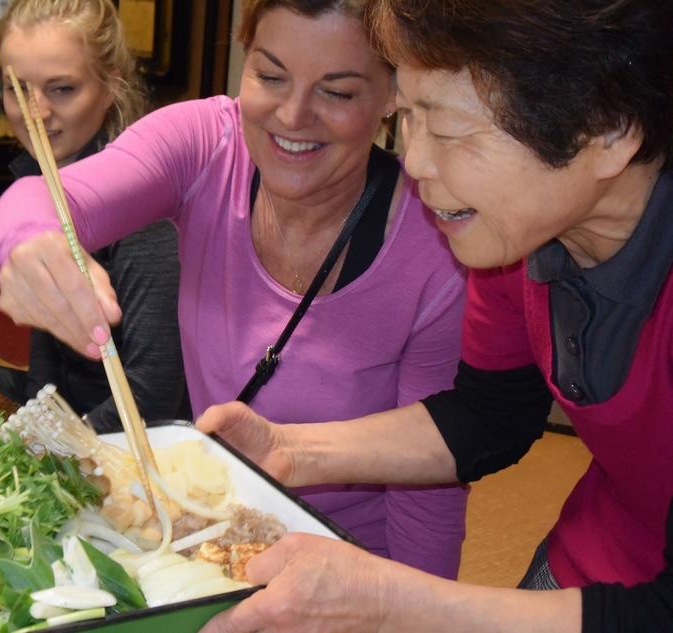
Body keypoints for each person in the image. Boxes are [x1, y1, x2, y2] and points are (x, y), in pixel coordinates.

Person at [195, 0, 673, 631]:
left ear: (607, 129)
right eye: (409, 119)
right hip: (605, 546)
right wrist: (290, 450)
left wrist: (392, 602)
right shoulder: (516, 237)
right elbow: (489, 414)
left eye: (447, 131)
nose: (415, 163)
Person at [0, 0, 469, 578]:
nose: (292, 116)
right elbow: (44, 199)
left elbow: (431, 474)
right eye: (270, 76)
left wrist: (409, 605)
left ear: (393, 92)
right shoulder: (207, 143)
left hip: (347, 564)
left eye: (337, 92)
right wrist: (26, 242)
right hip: (210, 540)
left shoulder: (435, 244)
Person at [0, 0, 186, 433]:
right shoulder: (39, 179)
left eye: (62, 89)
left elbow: (155, 394)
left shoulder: (142, 204)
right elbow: (46, 343)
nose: (35, 112)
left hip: (136, 431)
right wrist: (37, 421)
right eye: (17, 89)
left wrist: (63, 442)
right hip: (71, 409)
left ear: (110, 88)